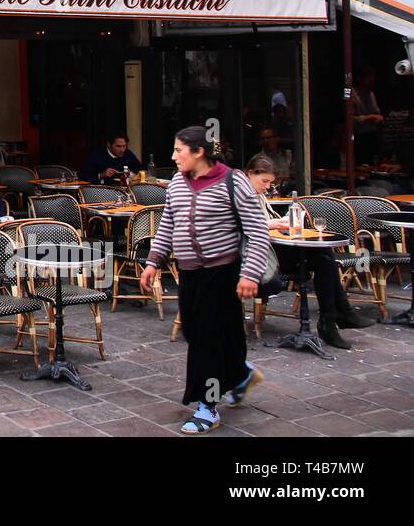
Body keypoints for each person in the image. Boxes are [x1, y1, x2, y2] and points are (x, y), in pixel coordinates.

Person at [140, 126, 270, 435]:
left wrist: (250, 273)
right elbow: (167, 225)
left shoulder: (232, 181)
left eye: (178, 150)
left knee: (208, 341)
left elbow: (257, 231)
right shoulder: (176, 184)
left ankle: (208, 406)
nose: (174, 157)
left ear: (199, 152)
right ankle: (240, 376)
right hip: (189, 273)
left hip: (221, 273)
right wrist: (152, 262)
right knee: (196, 334)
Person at [243, 154, 373, 348]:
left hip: (270, 248)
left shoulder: (259, 195)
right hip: (257, 256)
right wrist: (274, 224)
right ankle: (335, 318)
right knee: (323, 257)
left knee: (324, 256)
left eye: (270, 182)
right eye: (264, 181)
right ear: (250, 174)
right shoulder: (242, 195)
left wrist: (281, 224)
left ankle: (333, 319)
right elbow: (242, 226)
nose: (268, 186)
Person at [79, 132, 143, 183]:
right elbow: (83, 176)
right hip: (103, 192)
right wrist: (101, 175)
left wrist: (132, 173)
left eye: (124, 146)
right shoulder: (96, 156)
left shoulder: (128, 154)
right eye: (118, 146)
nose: (122, 150)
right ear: (109, 144)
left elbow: (140, 170)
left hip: (125, 191)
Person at [353, 67, 384, 166]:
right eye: (369, 77)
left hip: (371, 135)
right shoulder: (351, 94)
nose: (372, 80)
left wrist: (377, 118)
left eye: (373, 77)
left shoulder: (370, 94)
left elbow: (377, 113)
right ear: (360, 78)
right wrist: (370, 117)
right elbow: (350, 119)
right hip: (357, 136)